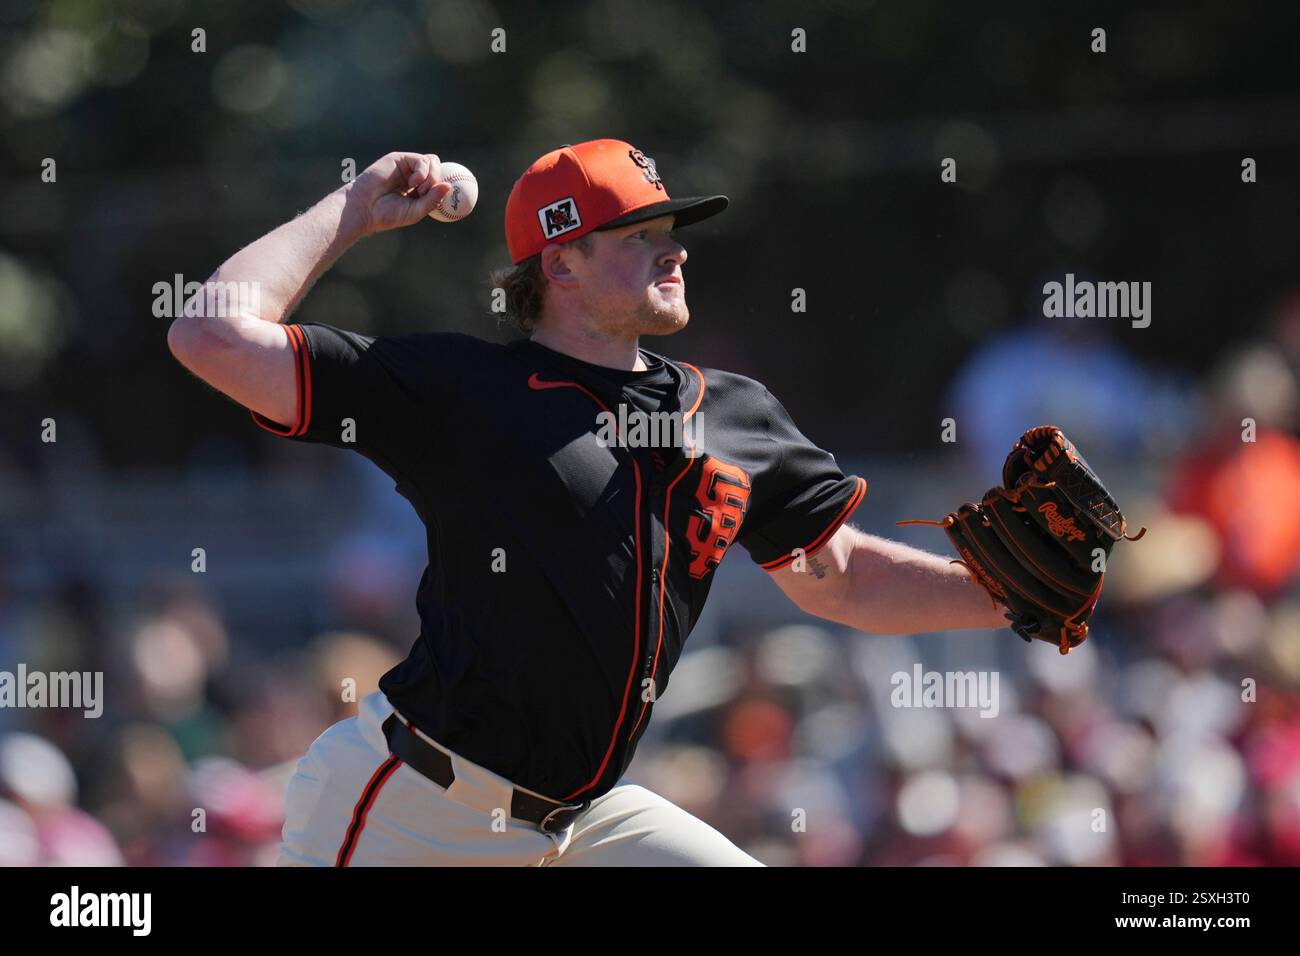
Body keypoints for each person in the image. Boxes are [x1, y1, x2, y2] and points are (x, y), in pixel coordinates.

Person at [167, 139, 1007, 866]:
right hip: (418, 809)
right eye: (637, 236)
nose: (672, 251)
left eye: (669, 232)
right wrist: (355, 207)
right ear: (559, 262)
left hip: (591, 823)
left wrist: (1005, 595)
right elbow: (210, 334)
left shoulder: (737, 416)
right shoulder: (465, 391)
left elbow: (843, 574)